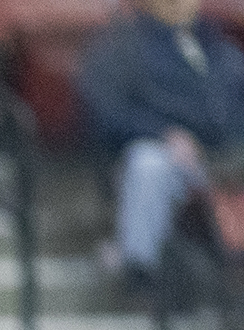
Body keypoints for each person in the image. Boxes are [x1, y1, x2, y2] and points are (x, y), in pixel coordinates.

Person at [76, 0, 244, 292]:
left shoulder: (221, 50)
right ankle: (138, 269)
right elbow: (106, 112)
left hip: (223, 161)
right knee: (149, 161)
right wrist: (163, 134)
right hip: (161, 159)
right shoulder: (121, 47)